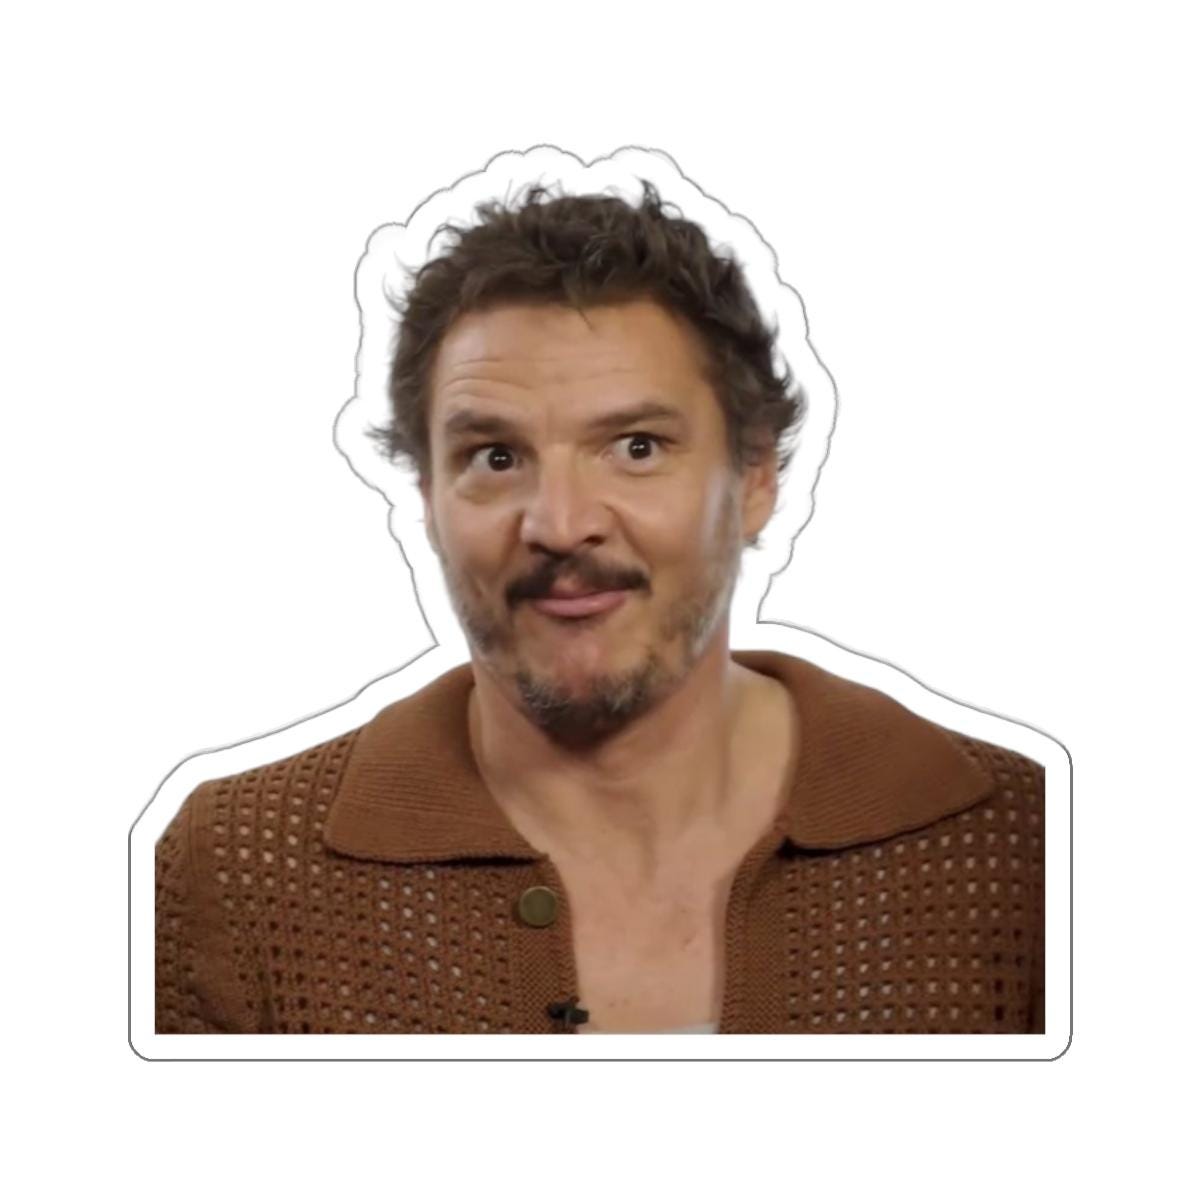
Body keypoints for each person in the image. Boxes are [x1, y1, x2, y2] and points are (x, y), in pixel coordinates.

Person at [155, 182, 1044, 1035]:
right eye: (496, 457)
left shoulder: (1024, 849)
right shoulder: (236, 873)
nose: (560, 525)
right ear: (427, 496)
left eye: (636, 447)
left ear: (756, 480)